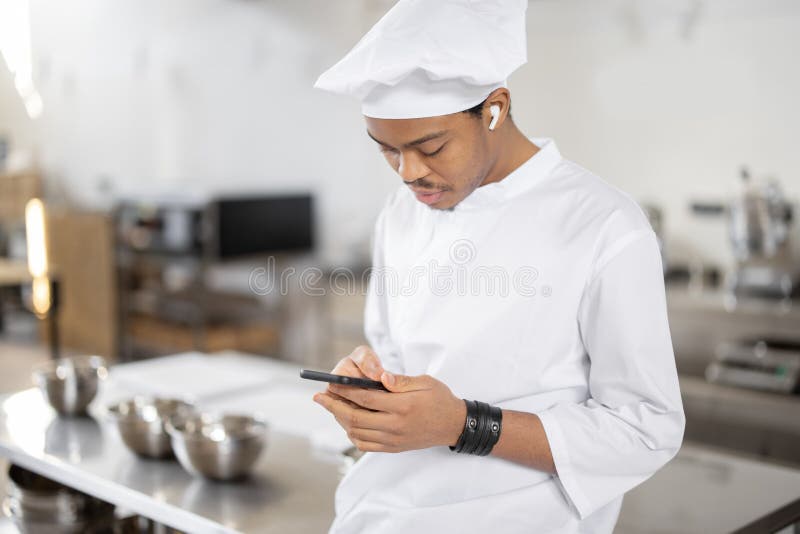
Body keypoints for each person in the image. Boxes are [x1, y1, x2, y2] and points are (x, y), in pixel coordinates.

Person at [311, 1, 685, 532]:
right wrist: (374, 392)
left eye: (430, 146)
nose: (409, 173)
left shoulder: (604, 226)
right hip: (384, 514)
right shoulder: (401, 214)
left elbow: (646, 430)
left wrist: (465, 425)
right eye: (387, 151)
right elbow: (397, 356)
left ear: (494, 109)